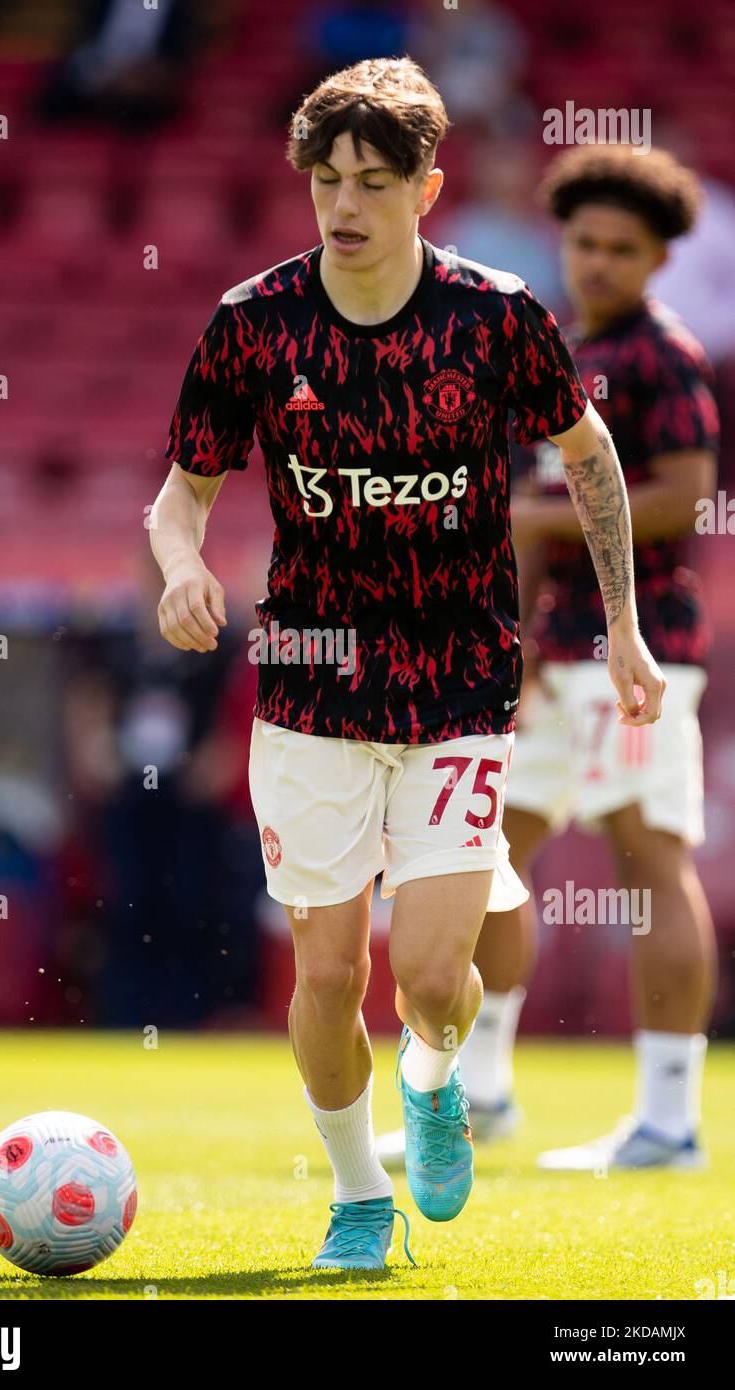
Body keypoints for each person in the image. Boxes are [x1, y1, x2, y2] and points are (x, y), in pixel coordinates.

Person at [150, 58, 663, 1269]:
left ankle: (433, 1081)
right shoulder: (251, 323)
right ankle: (357, 1195)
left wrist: (623, 624)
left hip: (458, 682)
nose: (343, 203)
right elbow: (180, 496)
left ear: (427, 188)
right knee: (327, 970)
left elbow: (588, 463)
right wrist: (180, 565)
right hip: (311, 680)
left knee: (431, 977)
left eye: (373, 182)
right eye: (325, 178)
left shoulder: (495, 318)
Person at [377, 145, 719, 1173]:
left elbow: (682, 492)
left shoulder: (663, 356)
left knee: (648, 866)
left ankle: (668, 1120)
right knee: (485, 861)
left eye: (622, 248)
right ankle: (477, 1092)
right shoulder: (557, 347)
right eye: (583, 242)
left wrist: (530, 510)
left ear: (659, 258)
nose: (598, 262)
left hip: (634, 645)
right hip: (542, 656)